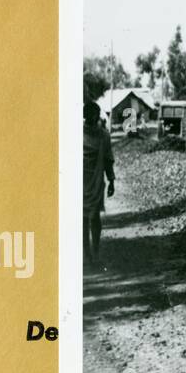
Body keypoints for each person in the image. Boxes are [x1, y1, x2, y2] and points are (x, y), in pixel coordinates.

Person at [82, 99, 114, 266]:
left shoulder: (103, 135)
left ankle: (95, 251)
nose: (92, 117)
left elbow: (108, 159)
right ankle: (86, 253)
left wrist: (111, 180)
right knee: (82, 219)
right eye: (89, 114)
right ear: (84, 115)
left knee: (94, 217)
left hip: (96, 183)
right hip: (78, 182)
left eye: (95, 114)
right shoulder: (75, 134)